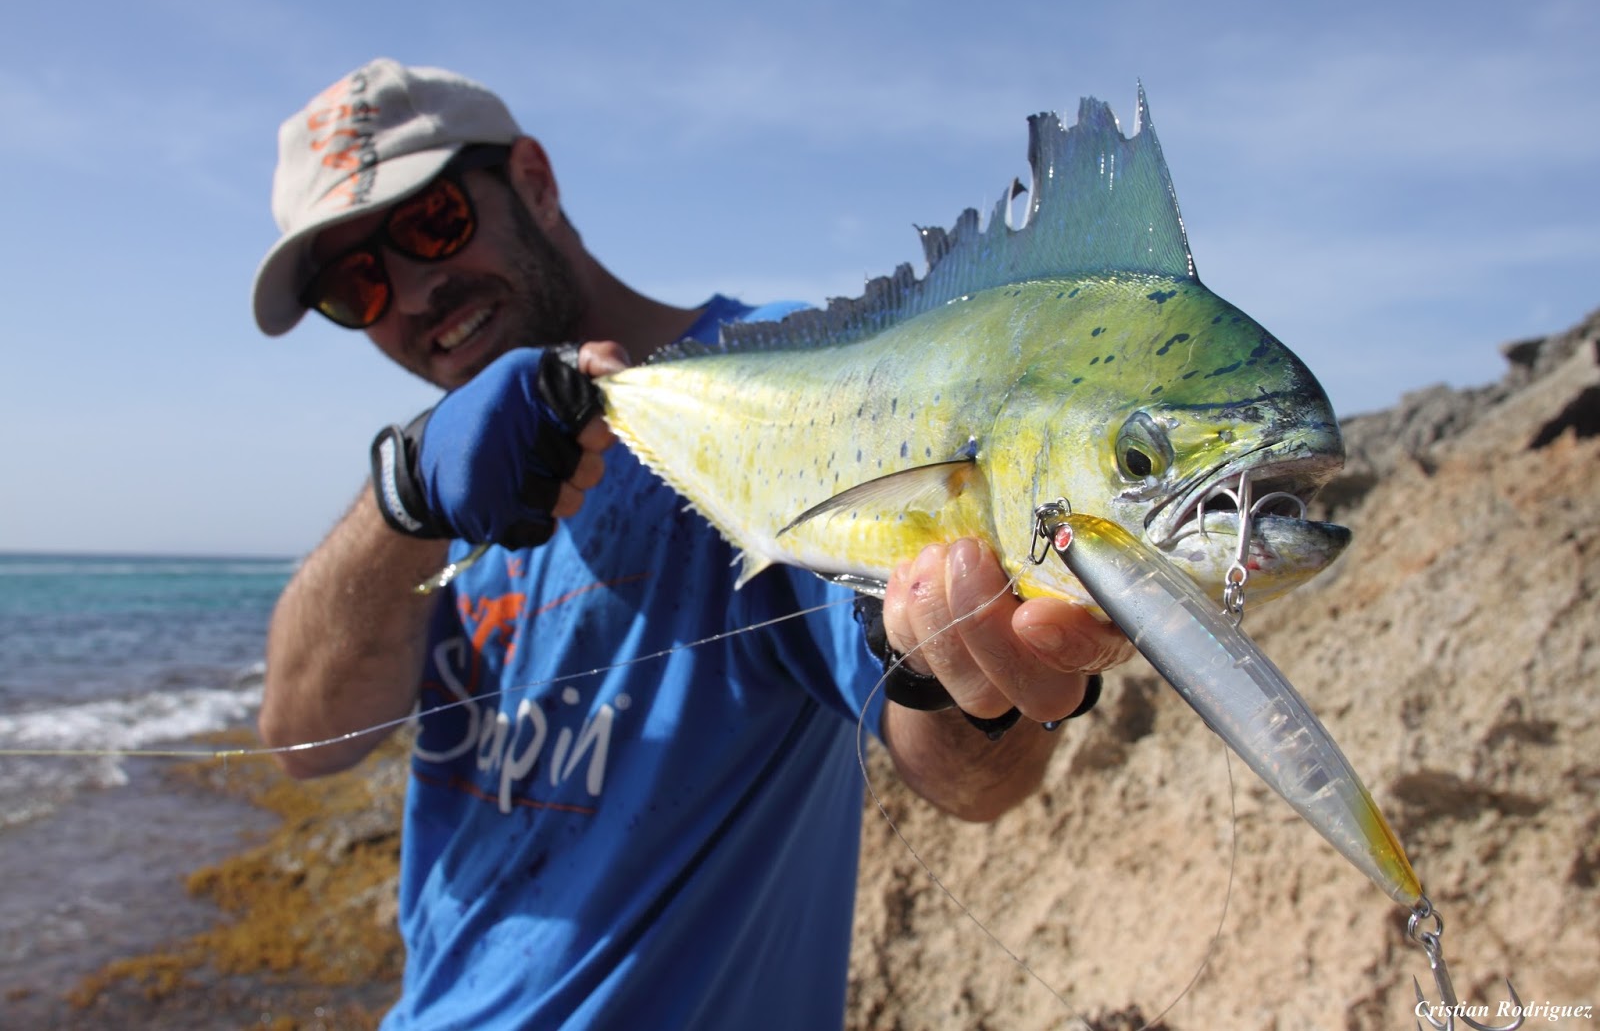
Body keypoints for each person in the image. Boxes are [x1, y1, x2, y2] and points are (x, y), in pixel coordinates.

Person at [253, 59, 1129, 1030]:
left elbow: (967, 779)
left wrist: (949, 666)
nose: (412, 292)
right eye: (355, 285)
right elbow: (299, 739)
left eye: (432, 223)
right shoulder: (449, 484)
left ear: (534, 183)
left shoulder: (790, 382)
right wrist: (402, 497)